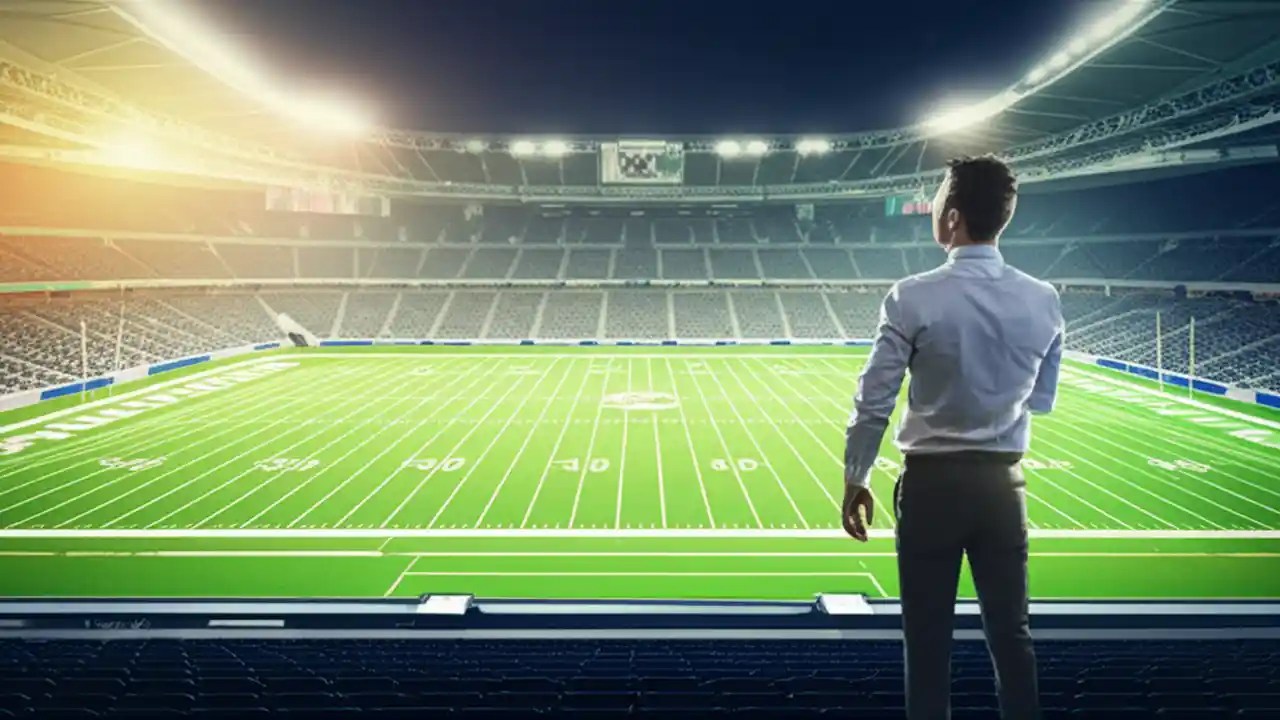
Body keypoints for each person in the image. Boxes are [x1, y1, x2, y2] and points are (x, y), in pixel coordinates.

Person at [841, 156, 1063, 720]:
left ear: (954, 216)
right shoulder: (1044, 299)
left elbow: (874, 400)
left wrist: (855, 478)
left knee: (927, 639)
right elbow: (1041, 400)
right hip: (1001, 487)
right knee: (1012, 638)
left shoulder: (911, 296)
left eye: (939, 197)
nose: (935, 207)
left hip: (932, 487)